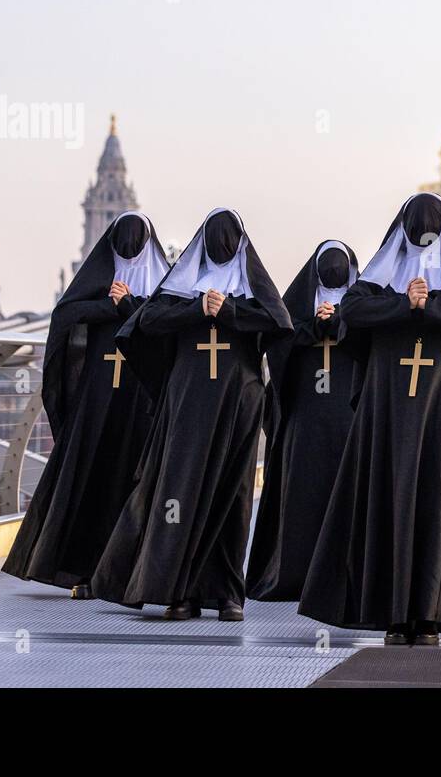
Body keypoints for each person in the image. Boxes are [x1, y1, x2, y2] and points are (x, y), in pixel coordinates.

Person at [298, 193, 441, 645]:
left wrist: (431, 307)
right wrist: (404, 305)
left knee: (436, 500)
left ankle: (429, 614)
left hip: (440, 412)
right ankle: (392, 612)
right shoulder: (381, 278)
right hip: (387, 410)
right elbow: (352, 311)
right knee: (385, 498)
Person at [90, 208, 291, 621]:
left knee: (231, 495)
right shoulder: (184, 286)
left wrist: (229, 312)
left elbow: (279, 322)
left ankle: (228, 594)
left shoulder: (251, 286)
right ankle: (179, 591)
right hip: (188, 402)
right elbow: (147, 321)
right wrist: (198, 309)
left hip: (238, 402)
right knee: (179, 491)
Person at [3, 211, 168, 598]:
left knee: (131, 478)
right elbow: (67, 314)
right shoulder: (96, 277)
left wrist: (128, 305)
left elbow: (166, 323)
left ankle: (128, 570)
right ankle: (79, 566)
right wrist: (108, 307)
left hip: (137, 401)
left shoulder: (163, 280)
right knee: (92, 478)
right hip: (97, 399)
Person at [246, 240, 360, 601]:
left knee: (349, 490)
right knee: (302, 491)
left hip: (350, 416)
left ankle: (346, 575)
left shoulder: (362, 305)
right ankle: (295, 572)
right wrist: (312, 328)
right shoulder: (294, 307)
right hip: (305, 416)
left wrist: (340, 323)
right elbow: (277, 343)